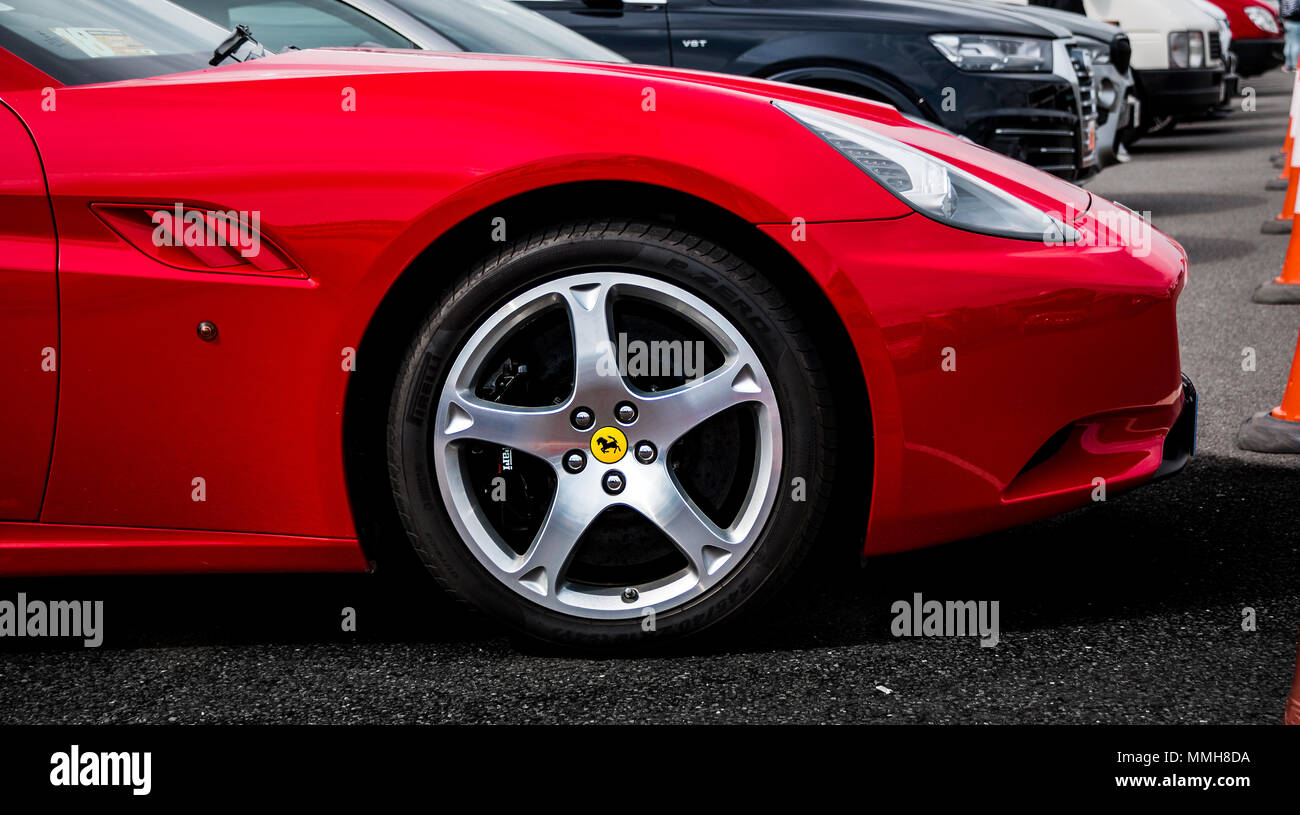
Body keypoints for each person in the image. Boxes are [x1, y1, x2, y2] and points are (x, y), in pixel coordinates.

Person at [1284, 0, 1300, 71]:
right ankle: (1295, 65)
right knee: (1296, 44)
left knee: (1288, 44)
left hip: (1287, 22)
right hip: (1296, 22)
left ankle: (1288, 65)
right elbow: (1295, 10)